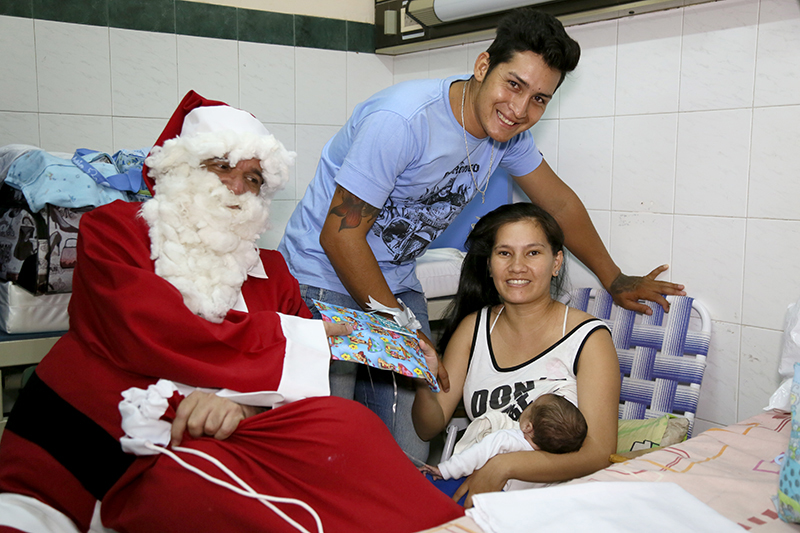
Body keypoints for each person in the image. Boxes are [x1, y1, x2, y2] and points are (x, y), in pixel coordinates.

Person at [0, 91, 464, 533]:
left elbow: (301, 371)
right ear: (181, 167)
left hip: (230, 436)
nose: (237, 188)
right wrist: (294, 340)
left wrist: (244, 404)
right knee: (203, 483)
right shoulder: (115, 232)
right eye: (221, 167)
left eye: (254, 179)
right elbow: (150, 332)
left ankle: (449, 523)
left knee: (351, 425)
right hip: (105, 431)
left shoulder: (272, 272)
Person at [277, 7, 683, 462]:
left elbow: (559, 204)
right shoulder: (403, 120)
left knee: (409, 452)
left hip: (393, 282)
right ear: (483, 65)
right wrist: (404, 326)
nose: (519, 110)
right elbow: (340, 237)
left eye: (539, 99)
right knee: (326, 446)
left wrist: (614, 277)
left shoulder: (506, 136)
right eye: (514, 85)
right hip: (323, 279)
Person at [412, 202, 621, 507]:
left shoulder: (589, 338)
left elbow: (600, 453)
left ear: (556, 262)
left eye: (533, 253)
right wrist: (422, 378)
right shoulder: (474, 328)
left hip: (553, 498)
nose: (517, 266)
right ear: (489, 264)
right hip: (474, 487)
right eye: (504, 253)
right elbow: (427, 427)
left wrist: (504, 466)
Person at [424, 393, 587, 487]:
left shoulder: (508, 438)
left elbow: (476, 454)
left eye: (531, 406)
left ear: (528, 427)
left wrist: (445, 470)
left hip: (479, 488)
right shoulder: (548, 469)